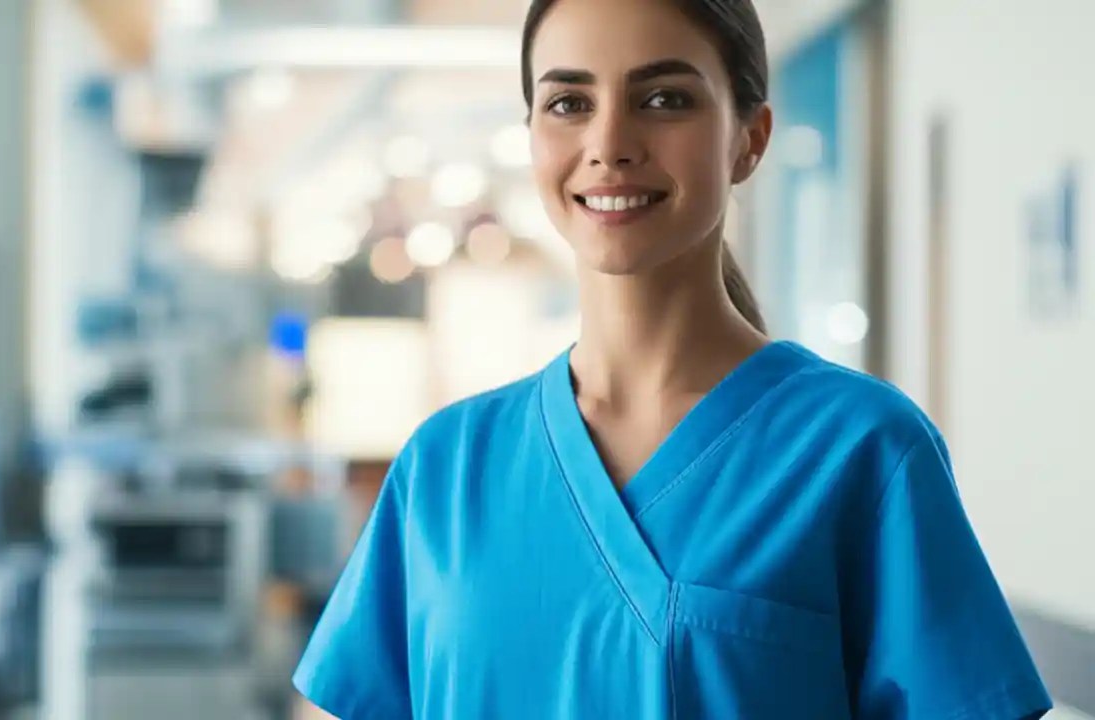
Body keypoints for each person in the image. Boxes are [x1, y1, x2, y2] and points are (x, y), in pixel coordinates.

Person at [292, 0, 1053, 717]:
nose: (610, 143)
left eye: (664, 99)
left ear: (749, 138)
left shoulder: (860, 450)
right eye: (568, 103)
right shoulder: (447, 466)